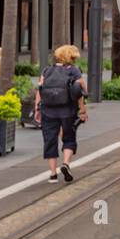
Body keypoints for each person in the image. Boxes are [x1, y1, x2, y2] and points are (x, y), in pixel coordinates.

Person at [34, 45, 87, 183]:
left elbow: (39, 90)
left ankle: (52, 174)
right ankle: (66, 163)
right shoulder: (74, 71)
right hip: (68, 111)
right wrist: (82, 110)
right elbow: (81, 91)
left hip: (48, 110)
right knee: (69, 138)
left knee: (50, 140)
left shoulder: (46, 70)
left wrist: (37, 109)